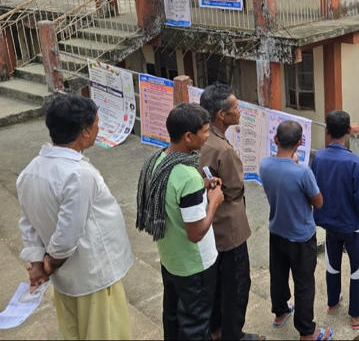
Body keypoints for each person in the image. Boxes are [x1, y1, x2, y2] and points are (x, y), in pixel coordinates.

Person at [17, 94, 134, 340]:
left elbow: (28, 223)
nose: (98, 129)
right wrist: (48, 264)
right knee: (104, 332)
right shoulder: (79, 175)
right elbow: (68, 235)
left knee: (73, 330)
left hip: (68, 278)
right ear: (85, 132)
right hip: (93, 273)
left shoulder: (30, 171)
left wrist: (37, 262)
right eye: (96, 124)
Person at [136, 103, 224, 340]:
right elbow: (196, 233)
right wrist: (214, 201)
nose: (207, 137)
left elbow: (173, 194)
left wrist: (202, 187)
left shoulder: (158, 160)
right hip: (195, 265)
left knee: (173, 317)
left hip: (171, 259)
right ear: (188, 136)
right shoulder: (187, 176)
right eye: (205, 131)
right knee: (196, 325)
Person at [199, 83, 261, 341]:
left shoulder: (202, 139)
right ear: (221, 115)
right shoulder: (223, 150)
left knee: (214, 284)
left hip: (210, 225)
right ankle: (233, 334)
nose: (239, 111)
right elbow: (234, 189)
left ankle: (215, 330)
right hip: (229, 228)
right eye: (235, 108)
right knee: (237, 284)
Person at [260, 121, 332, 341]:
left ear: (275, 140)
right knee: (304, 282)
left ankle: (280, 312)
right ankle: (307, 332)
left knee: (278, 275)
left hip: (277, 230)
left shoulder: (264, 165)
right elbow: (318, 202)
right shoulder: (303, 172)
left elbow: (281, 176)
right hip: (301, 236)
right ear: (300, 142)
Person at [311, 110, 359, 331]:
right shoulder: (354, 161)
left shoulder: (318, 157)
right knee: (357, 268)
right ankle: (356, 315)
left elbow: (314, 188)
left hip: (329, 222)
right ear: (349, 131)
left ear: (327, 131)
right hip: (352, 225)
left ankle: (332, 303)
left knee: (332, 264)